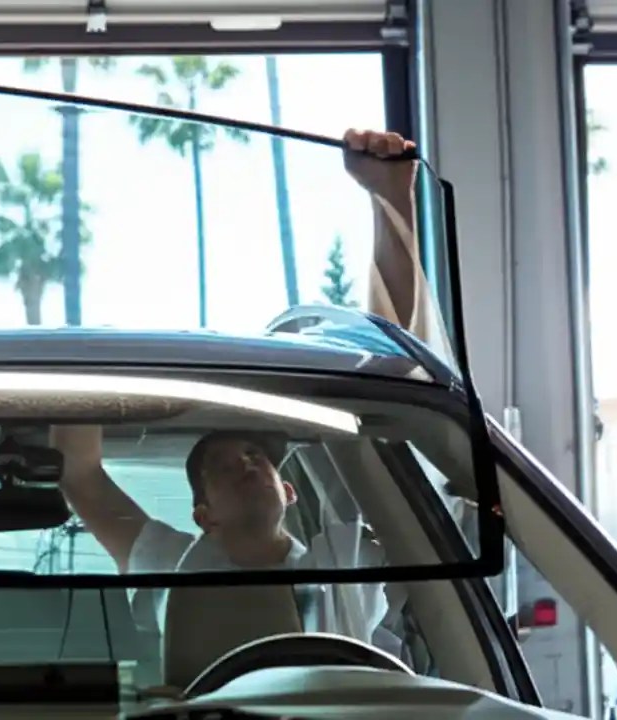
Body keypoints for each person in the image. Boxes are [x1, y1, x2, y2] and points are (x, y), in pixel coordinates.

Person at [52, 129, 442, 650]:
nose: (247, 465)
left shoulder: (346, 560)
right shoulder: (175, 565)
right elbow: (82, 478)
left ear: (288, 491)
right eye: (221, 466)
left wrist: (391, 198)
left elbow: (391, 365)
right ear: (203, 514)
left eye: (256, 454)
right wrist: (88, 359)